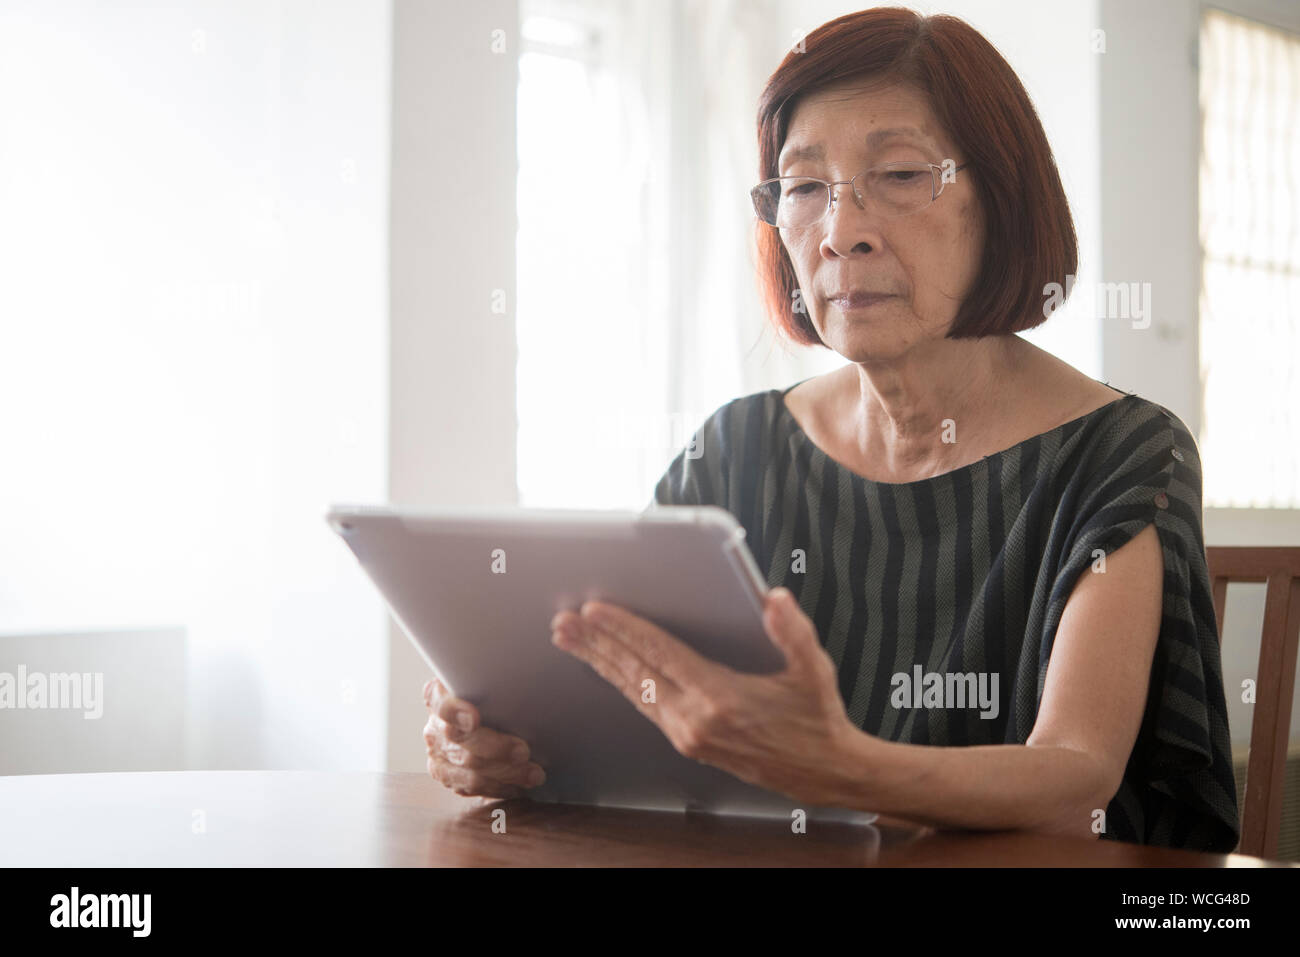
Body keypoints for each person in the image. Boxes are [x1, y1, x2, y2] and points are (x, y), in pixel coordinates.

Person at [424, 6, 1240, 852]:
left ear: (1001, 198)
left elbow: (1077, 772)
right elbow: (620, 693)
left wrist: (837, 767)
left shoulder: (1122, 452)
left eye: (899, 174)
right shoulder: (738, 450)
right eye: (805, 187)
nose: (842, 232)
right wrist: (499, 737)